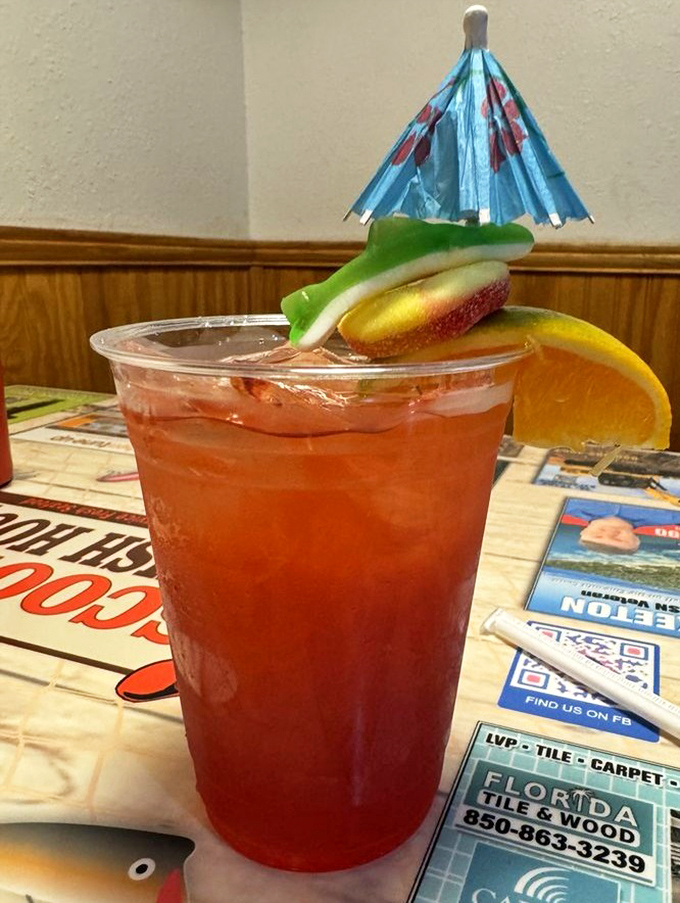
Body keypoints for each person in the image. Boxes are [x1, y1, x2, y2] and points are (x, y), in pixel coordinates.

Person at [565, 500, 680, 556]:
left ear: (584, 532)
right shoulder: (672, 516)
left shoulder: (567, 504)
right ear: (636, 540)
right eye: (619, 539)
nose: (610, 533)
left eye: (598, 536)